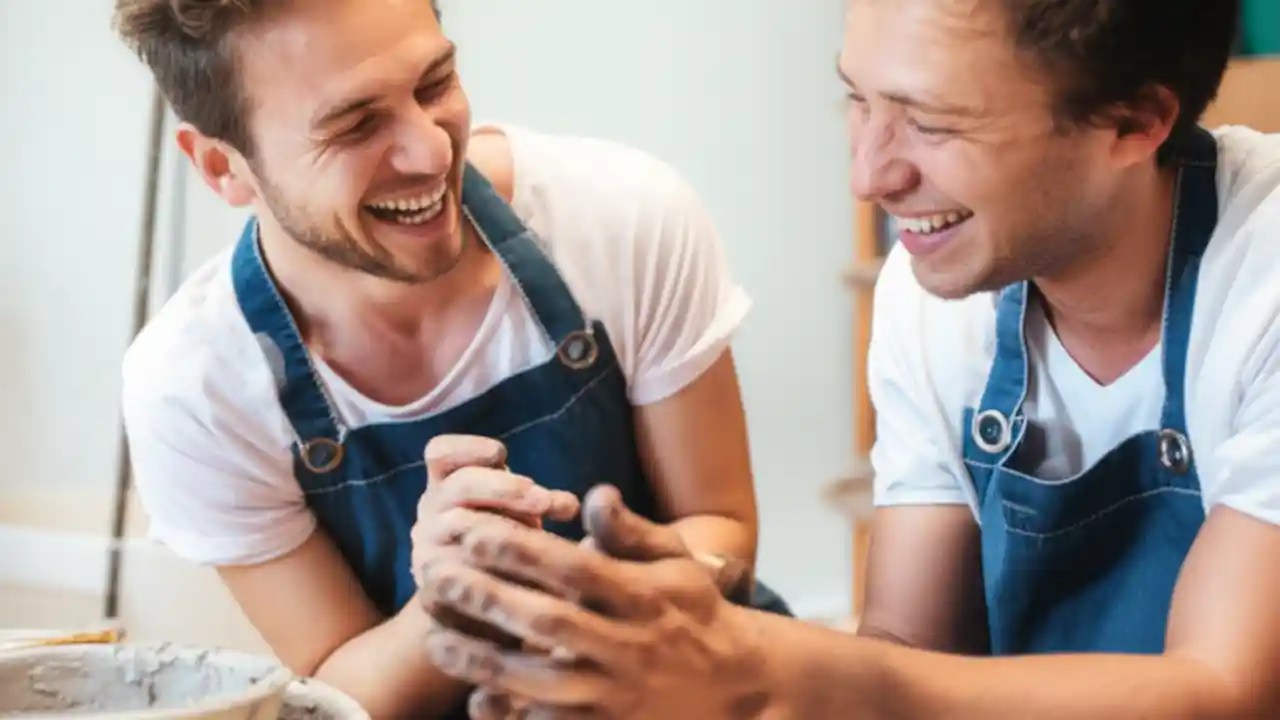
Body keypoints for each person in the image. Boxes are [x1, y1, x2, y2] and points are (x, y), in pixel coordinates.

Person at [415, 0, 1280, 717]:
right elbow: (907, 656)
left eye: (933, 124)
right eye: (857, 100)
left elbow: (1221, 690)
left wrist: (774, 663)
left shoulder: (1261, 277)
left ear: (1133, 121)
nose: (869, 175)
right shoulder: (939, 297)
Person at [111, 0, 790, 716]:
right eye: (356, 125)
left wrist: (570, 603)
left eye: (435, 83)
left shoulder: (623, 220)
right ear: (223, 166)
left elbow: (720, 529)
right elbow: (336, 685)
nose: (432, 151)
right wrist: (449, 599)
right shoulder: (195, 390)